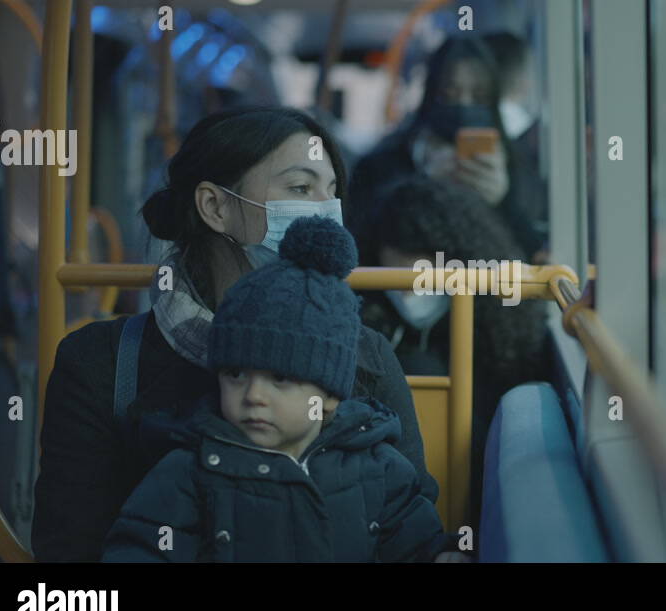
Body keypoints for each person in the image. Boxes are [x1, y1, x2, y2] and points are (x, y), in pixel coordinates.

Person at [33, 107, 438, 563]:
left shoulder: (364, 355)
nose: (325, 214)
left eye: (332, 193)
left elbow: (412, 530)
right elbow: (70, 549)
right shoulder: (104, 365)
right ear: (215, 207)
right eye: (300, 188)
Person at [102, 218, 448, 562]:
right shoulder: (192, 469)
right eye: (235, 374)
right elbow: (142, 547)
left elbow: (419, 546)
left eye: (280, 379)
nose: (253, 395)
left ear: (329, 396)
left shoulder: (378, 468)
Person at [356, 176, 552, 529]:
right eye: (397, 256)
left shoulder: (500, 335)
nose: (410, 281)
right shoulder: (367, 328)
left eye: (423, 258)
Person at [349, 36, 547, 262]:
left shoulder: (516, 168)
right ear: (430, 96)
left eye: (479, 97)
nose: (464, 105)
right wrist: (422, 186)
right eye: (449, 94)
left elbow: (534, 253)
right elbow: (359, 243)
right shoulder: (379, 166)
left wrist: (503, 201)